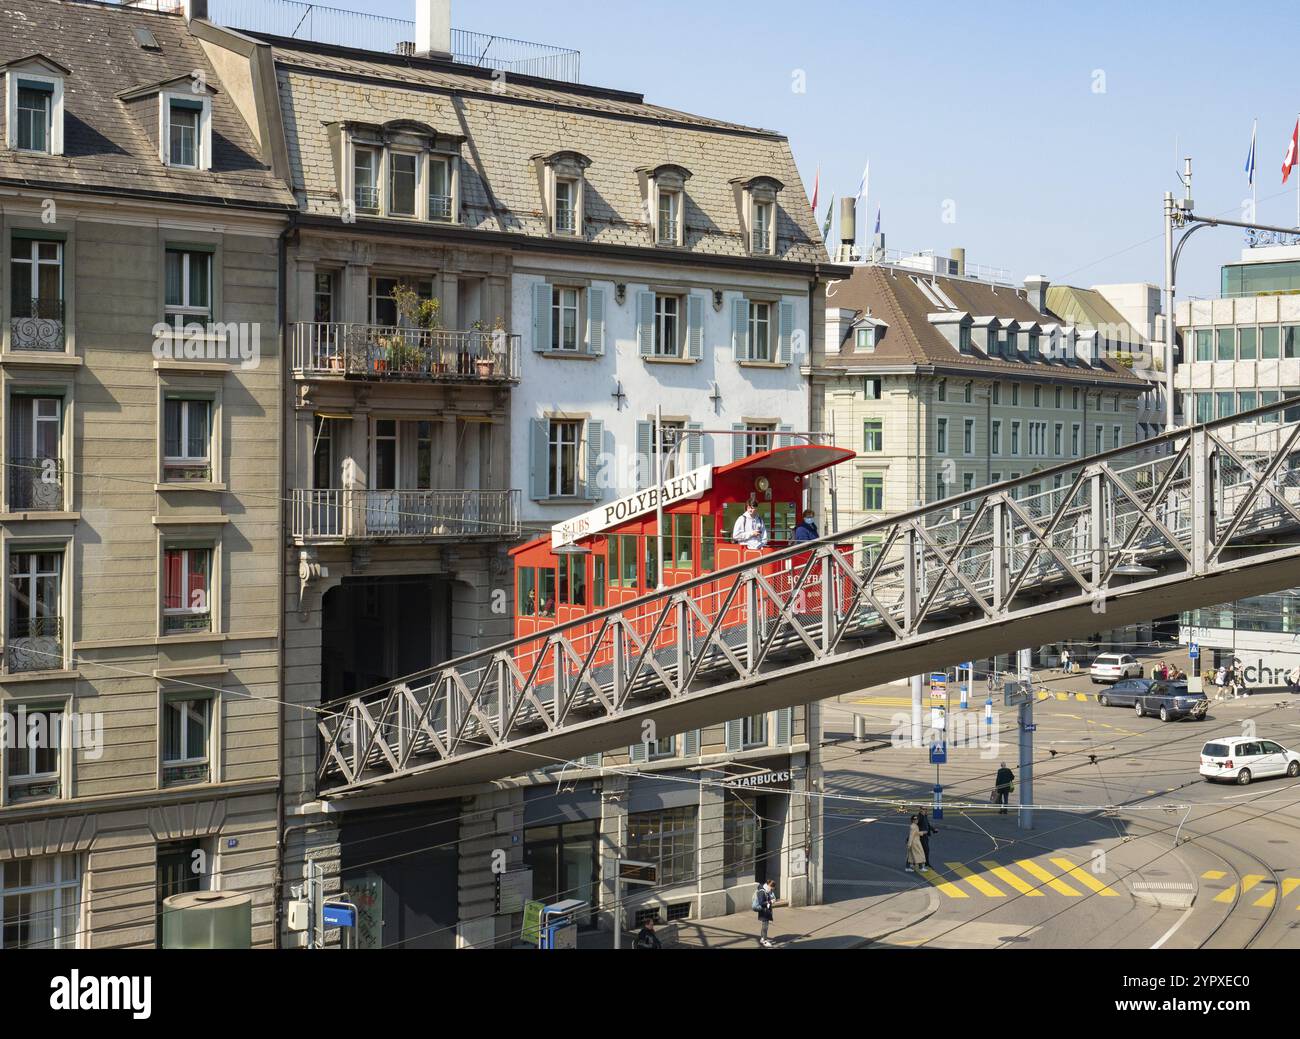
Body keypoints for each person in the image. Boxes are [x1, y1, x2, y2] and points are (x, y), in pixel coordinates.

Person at [754, 879, 776, 947]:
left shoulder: (767, 891)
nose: (772, 890)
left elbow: (766, 900)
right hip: (763, 911)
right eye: (772, 888)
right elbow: (761, 903)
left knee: (765, 926)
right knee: (765, 927)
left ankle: (762, 939)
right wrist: (770, 902)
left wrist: (771, 900)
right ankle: (764, 940)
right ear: (769, 886)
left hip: (766, 911)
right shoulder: (762, 891)